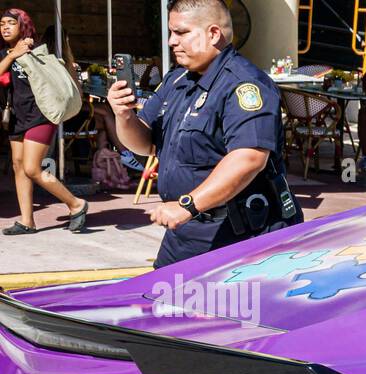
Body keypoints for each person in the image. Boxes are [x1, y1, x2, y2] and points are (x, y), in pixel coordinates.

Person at [108, 0, 301, 267]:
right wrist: (124, 114)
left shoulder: (244, 83)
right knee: (162, 304)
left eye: (182, 32)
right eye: (171, 33)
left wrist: (187, 205)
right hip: (187, 233)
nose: (172, 42)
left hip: (242, 235)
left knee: (227, 308)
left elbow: (249, 158)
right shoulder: (177, 80)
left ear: (213, 33)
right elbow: (144, 144)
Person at [0, 8, 88, 235]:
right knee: (18, 167)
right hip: (17, 118)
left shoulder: (36, 51)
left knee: (31, 168)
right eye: (2, 24)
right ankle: (27, 221)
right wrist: (12, 55)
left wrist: (24, 51)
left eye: (11, 23)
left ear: (23, 25)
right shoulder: (5, 54)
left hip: (41, 116)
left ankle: (76, 204)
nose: (5, 27)